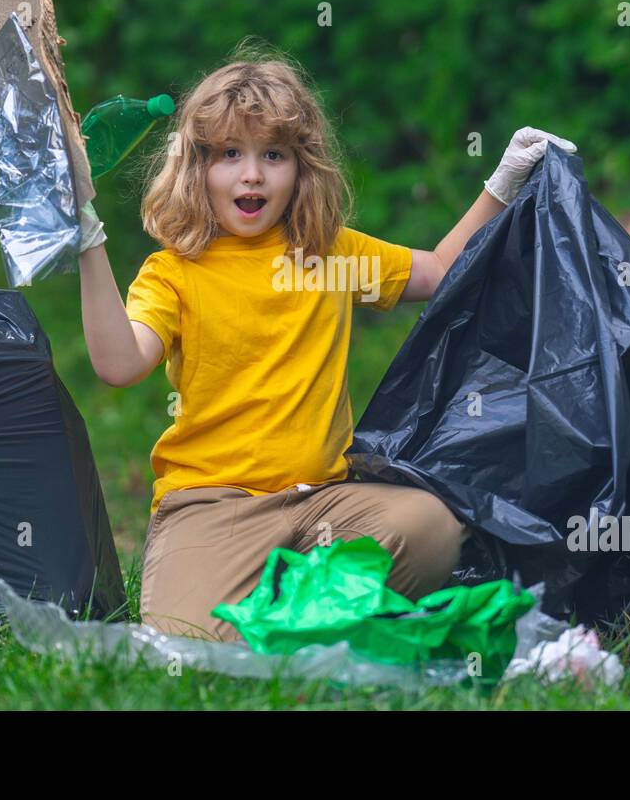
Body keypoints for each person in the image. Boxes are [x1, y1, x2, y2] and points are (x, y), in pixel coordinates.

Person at [77, 44, 575, 641]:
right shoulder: (175, 272)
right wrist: (87, 237)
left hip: (324, 505)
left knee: (432, 527)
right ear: (197, 169)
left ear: (301, 168)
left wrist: (504, 179)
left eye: (273, 155)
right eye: (230, 154)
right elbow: (118, 363)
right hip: (211, 505)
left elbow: (441, 271)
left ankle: (299, 604)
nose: (252, 173)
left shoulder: (329, 255)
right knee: (189, 642)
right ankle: (302, 611)